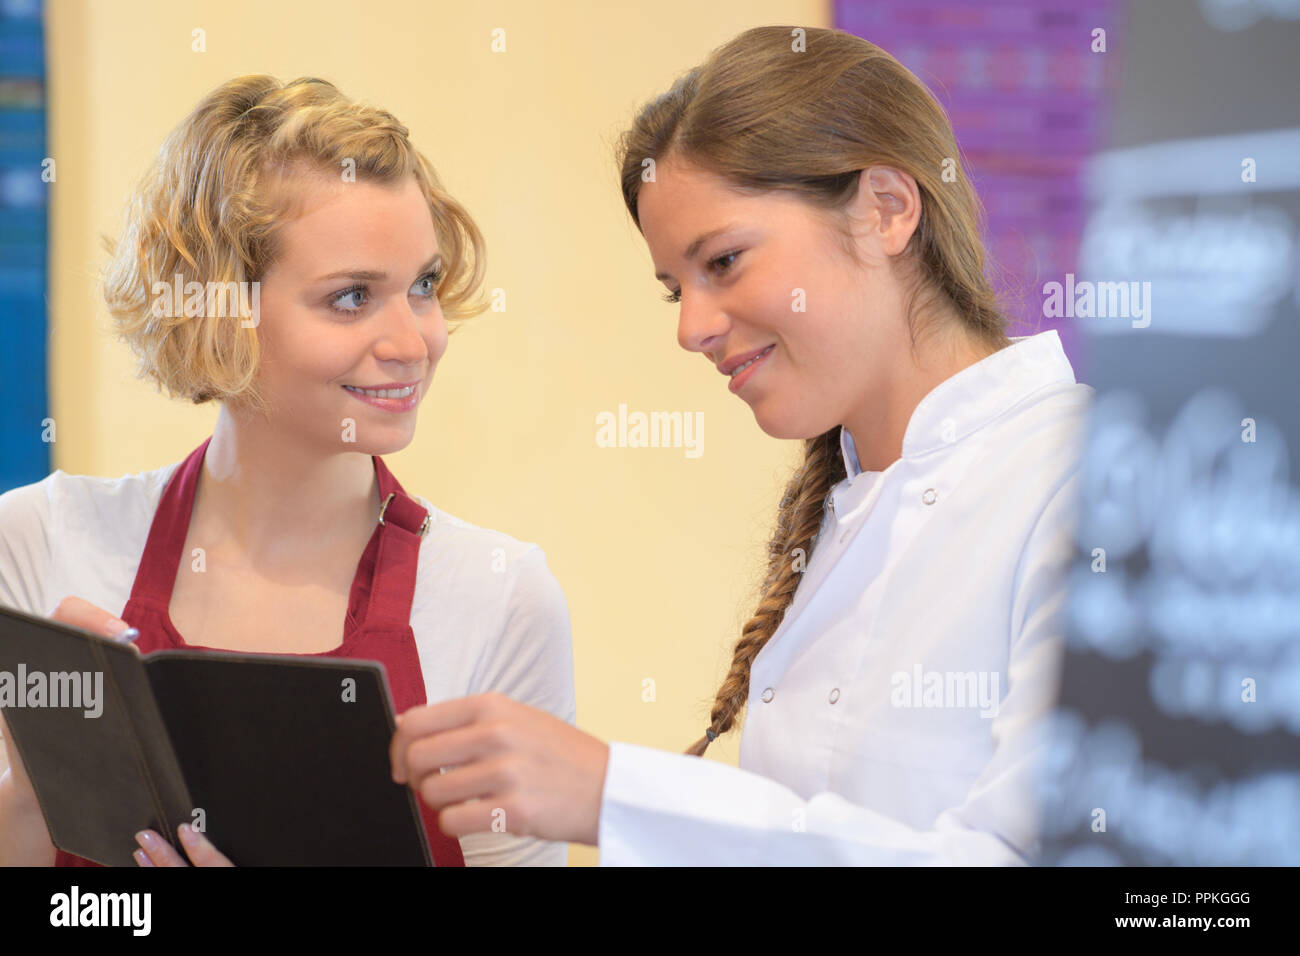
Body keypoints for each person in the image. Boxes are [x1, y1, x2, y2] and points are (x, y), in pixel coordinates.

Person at [389, 26, 1093, 864]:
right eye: (673, 289)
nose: (691, 328)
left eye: (723, 261)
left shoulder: (1084, 481)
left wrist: (615, 793)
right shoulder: (848, 514)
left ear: (887, 210)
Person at [0, 75, 574, 867]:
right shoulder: (38, 543)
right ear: (215, 309)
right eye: (350, 298)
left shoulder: (501, 595)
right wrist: (38, 780)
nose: (413, 342)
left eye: (423, 286)